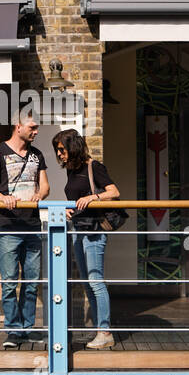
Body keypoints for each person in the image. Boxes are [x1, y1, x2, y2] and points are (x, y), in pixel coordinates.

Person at [0, 110, 49, 349]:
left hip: (32, 225)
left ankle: (26, 329)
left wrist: (40, 195)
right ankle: (12, 330)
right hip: (8, 226)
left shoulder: (37, 154)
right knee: (9, 282)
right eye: (32, 127)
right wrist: (2, 197)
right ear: (17, 126)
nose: (36, 131)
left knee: (31, 282)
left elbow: (45, 185)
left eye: (37, 127)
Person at [53, 129, 120, 350]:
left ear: (72, 147)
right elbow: (74, 199)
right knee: (86, 281)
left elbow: (114, 192)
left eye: (61, 149)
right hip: (78, 230)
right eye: (57, 150)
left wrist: (92, 197)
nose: (59, 154)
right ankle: (100, 330)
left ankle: (105, 331)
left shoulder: (94, 167)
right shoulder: (72, 171)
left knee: (95, 280)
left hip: (94, 232)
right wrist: (68, 210)